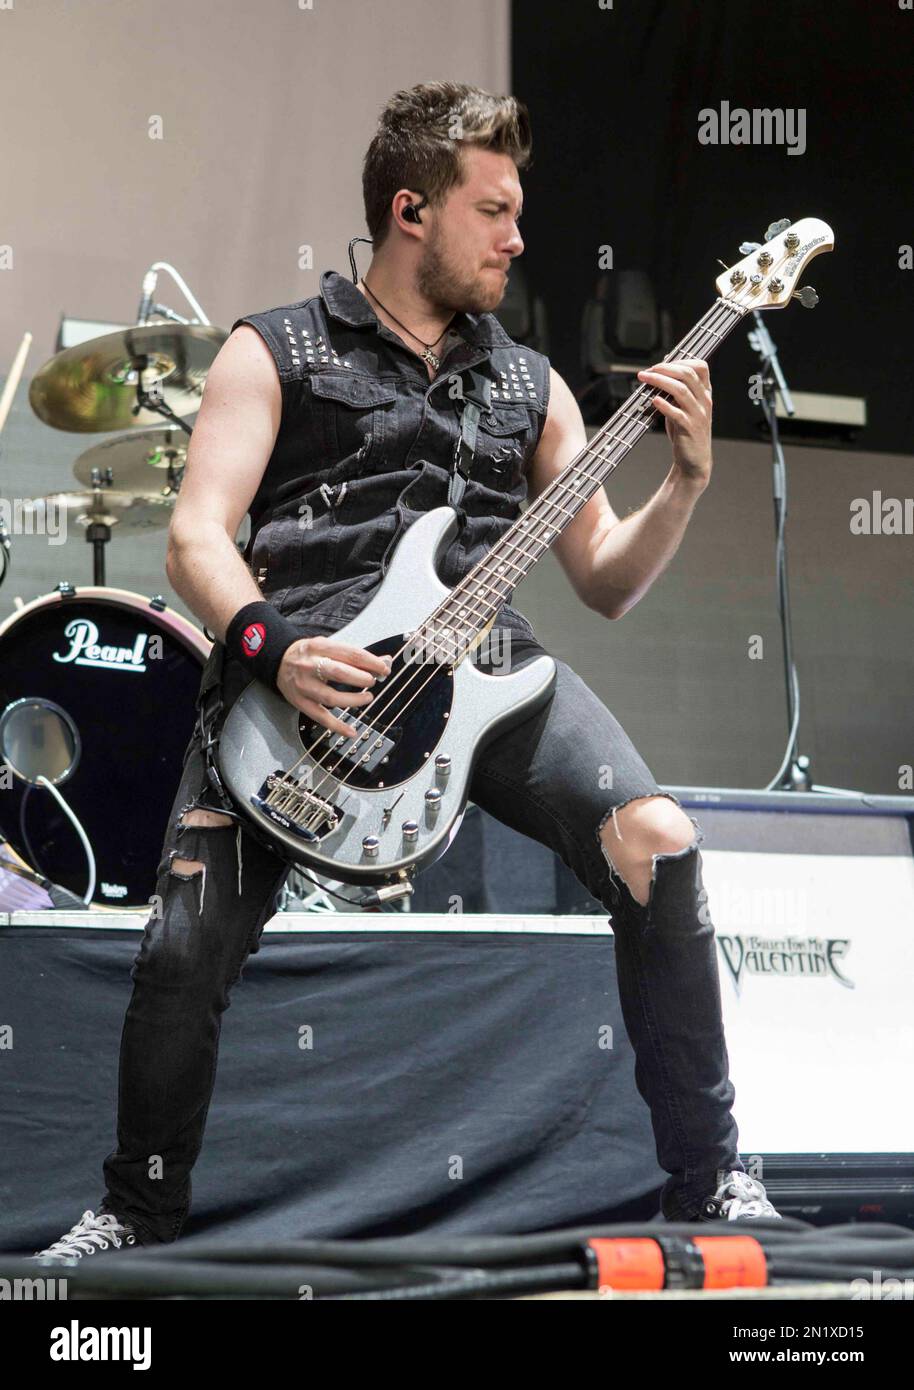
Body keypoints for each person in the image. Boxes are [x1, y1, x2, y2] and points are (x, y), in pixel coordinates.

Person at [36, 80, 779, 1261]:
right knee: (182, 949)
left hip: (484, 677)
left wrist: (684, 479)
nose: (517, 237)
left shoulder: (528, 382)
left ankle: (709, 1178)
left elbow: (603, 579)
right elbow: (193, 536)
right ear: (409, 210)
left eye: (518, 211)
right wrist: (268, 649)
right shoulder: (269, 346)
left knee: (659, 840)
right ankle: (136, 1215)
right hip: (306, 677)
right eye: (491, 209)